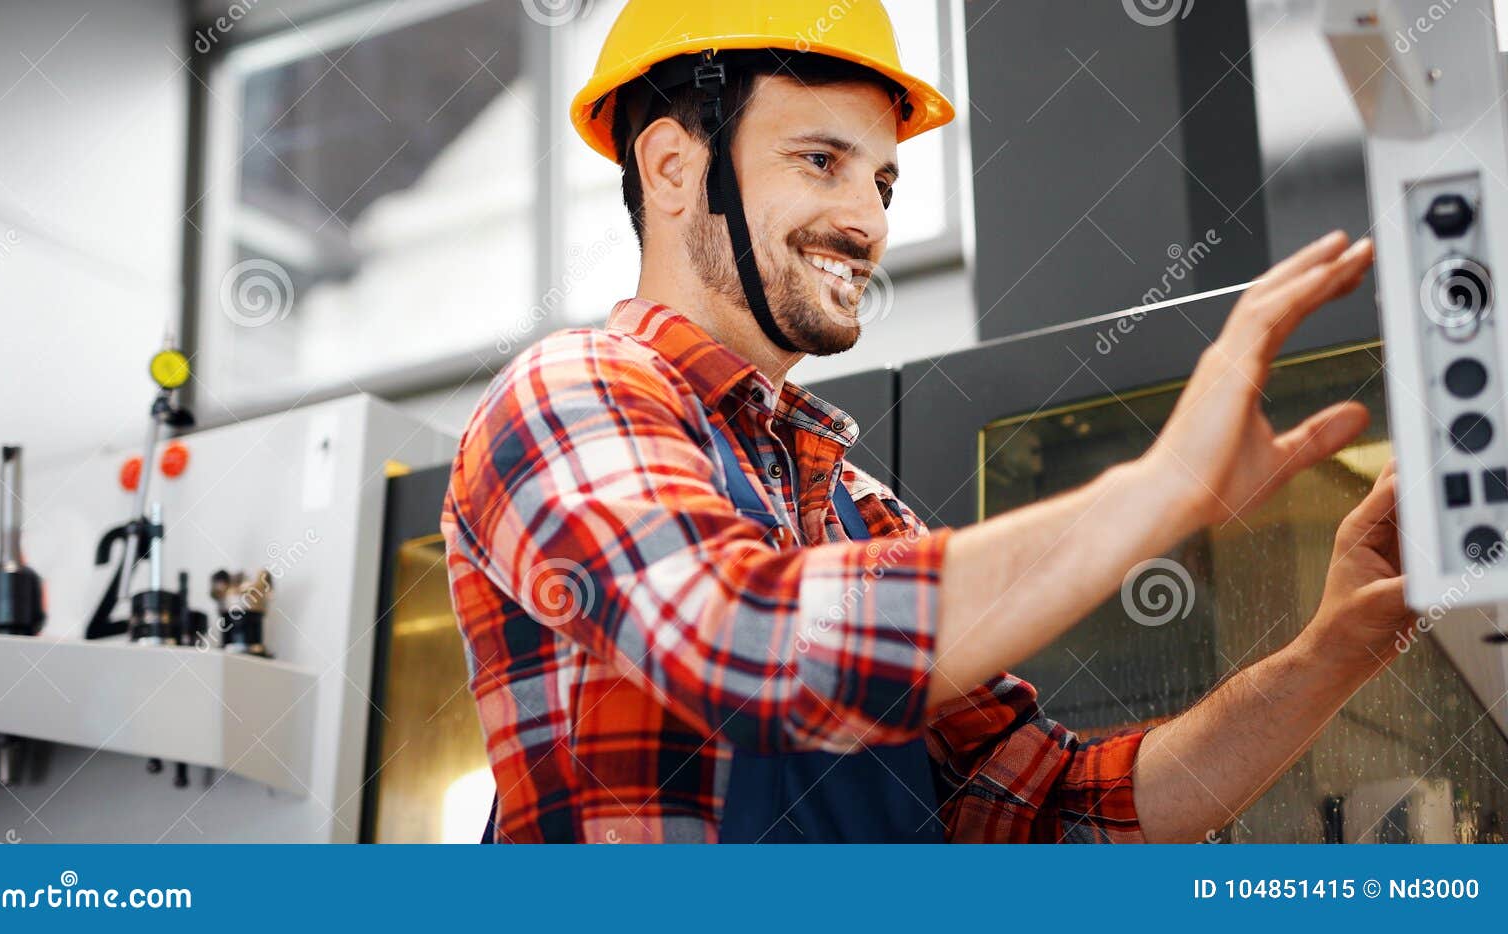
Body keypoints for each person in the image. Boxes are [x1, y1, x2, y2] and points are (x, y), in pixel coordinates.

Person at [440, 0, 1407, 843]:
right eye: (821, 161)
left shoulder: (866, 512)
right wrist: (1152, 496)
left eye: (883, 183)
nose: (867, 222)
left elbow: (1052, 816)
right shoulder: (569, 390)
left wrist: (1331, 654)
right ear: (673, 168)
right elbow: (742, 645)